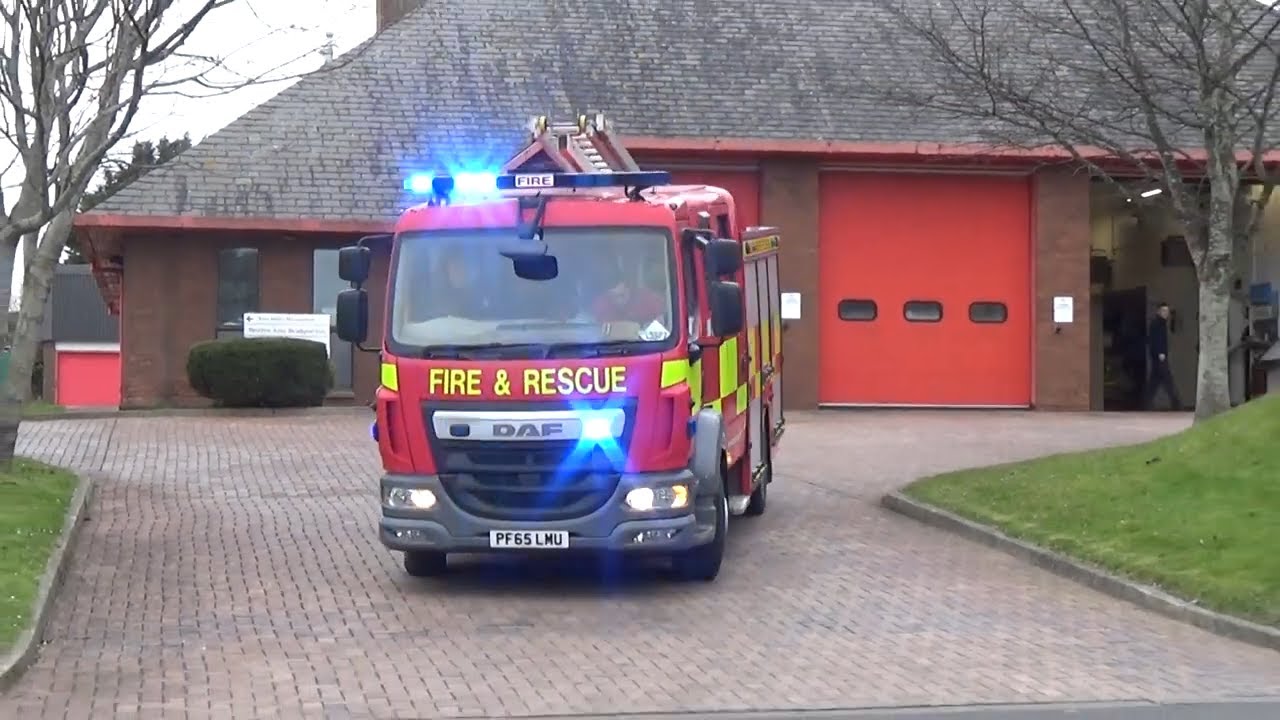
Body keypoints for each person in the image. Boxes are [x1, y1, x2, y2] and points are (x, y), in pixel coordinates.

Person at [591, 268, 665, 325]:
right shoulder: (600, 305)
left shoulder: (648, 299)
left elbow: (661, 321)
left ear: (629, 288)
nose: (619, 301)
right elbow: (597, 331)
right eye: (614, 297)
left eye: (622, 295)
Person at [1145, 301, 1182, 411]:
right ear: (1159, 311)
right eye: (1164, 311)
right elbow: (1155, 340)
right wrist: (1160, 352)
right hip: (1159, 356)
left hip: (1159, 356)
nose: (1166, 313)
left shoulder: (1161, 323)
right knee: (1167, 380)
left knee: (1154, 382)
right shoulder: (1156, 324)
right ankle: (1176, 404)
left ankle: (1147, 403)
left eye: (1167, 311)